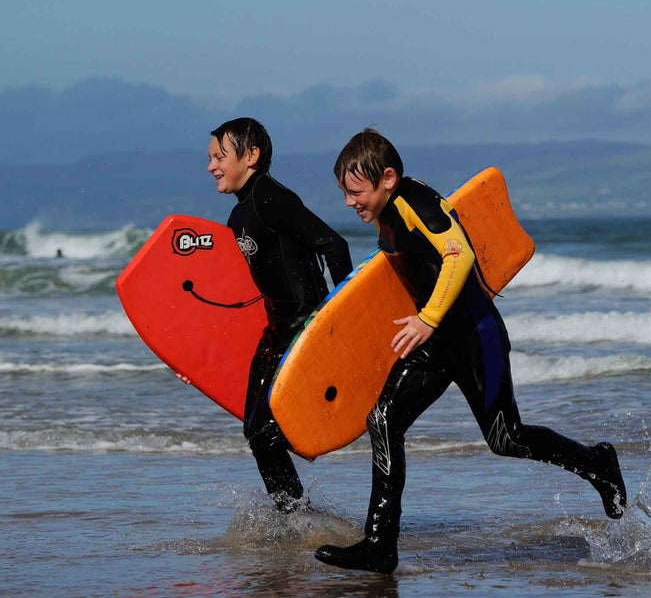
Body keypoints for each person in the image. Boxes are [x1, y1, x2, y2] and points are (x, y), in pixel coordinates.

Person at [314, 128, 627, 574]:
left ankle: (598, 463)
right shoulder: (387, 211)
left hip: (476, 337)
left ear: (386, 177)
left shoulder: (414, 202)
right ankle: (381, 544)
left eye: (355, 191)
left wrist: (427, 318)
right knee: (382, 420)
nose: (349, 202)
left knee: (507, 439)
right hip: (437, 341)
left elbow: (457, 255)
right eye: (344, 192)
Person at [207, 117, 353, 511]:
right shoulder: (239, 215)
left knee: (264, 430)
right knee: (255, 430)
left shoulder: (271, 198)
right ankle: (293, 515)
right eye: (211, 158)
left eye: (220, 156)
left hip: (304, 328)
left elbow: (333, 245)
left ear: (251, 156)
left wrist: (342, 317)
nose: (211, 166)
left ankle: (293, 516)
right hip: (276, 333)